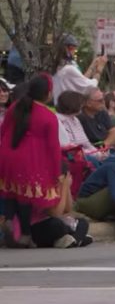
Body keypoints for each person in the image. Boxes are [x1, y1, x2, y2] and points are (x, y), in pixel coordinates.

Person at [0, 74, 62, 248]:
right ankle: (26, 233)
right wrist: (56, 173)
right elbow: (53, 148)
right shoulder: (49, 117)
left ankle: (10, 220)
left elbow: (3, 131)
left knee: (11, 191)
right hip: (30, 160)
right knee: (26, 196)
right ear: (48, 93)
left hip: (7, 155)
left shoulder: (15, 107)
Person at [52, 34, 108, 103]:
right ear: (66, 49)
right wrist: (99, 69)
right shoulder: (68, 69)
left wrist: (93, 65)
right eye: (72, 48)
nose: (74, 51)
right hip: (68, 108)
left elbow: (81, 80)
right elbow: (90, 86)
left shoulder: (61, 66)